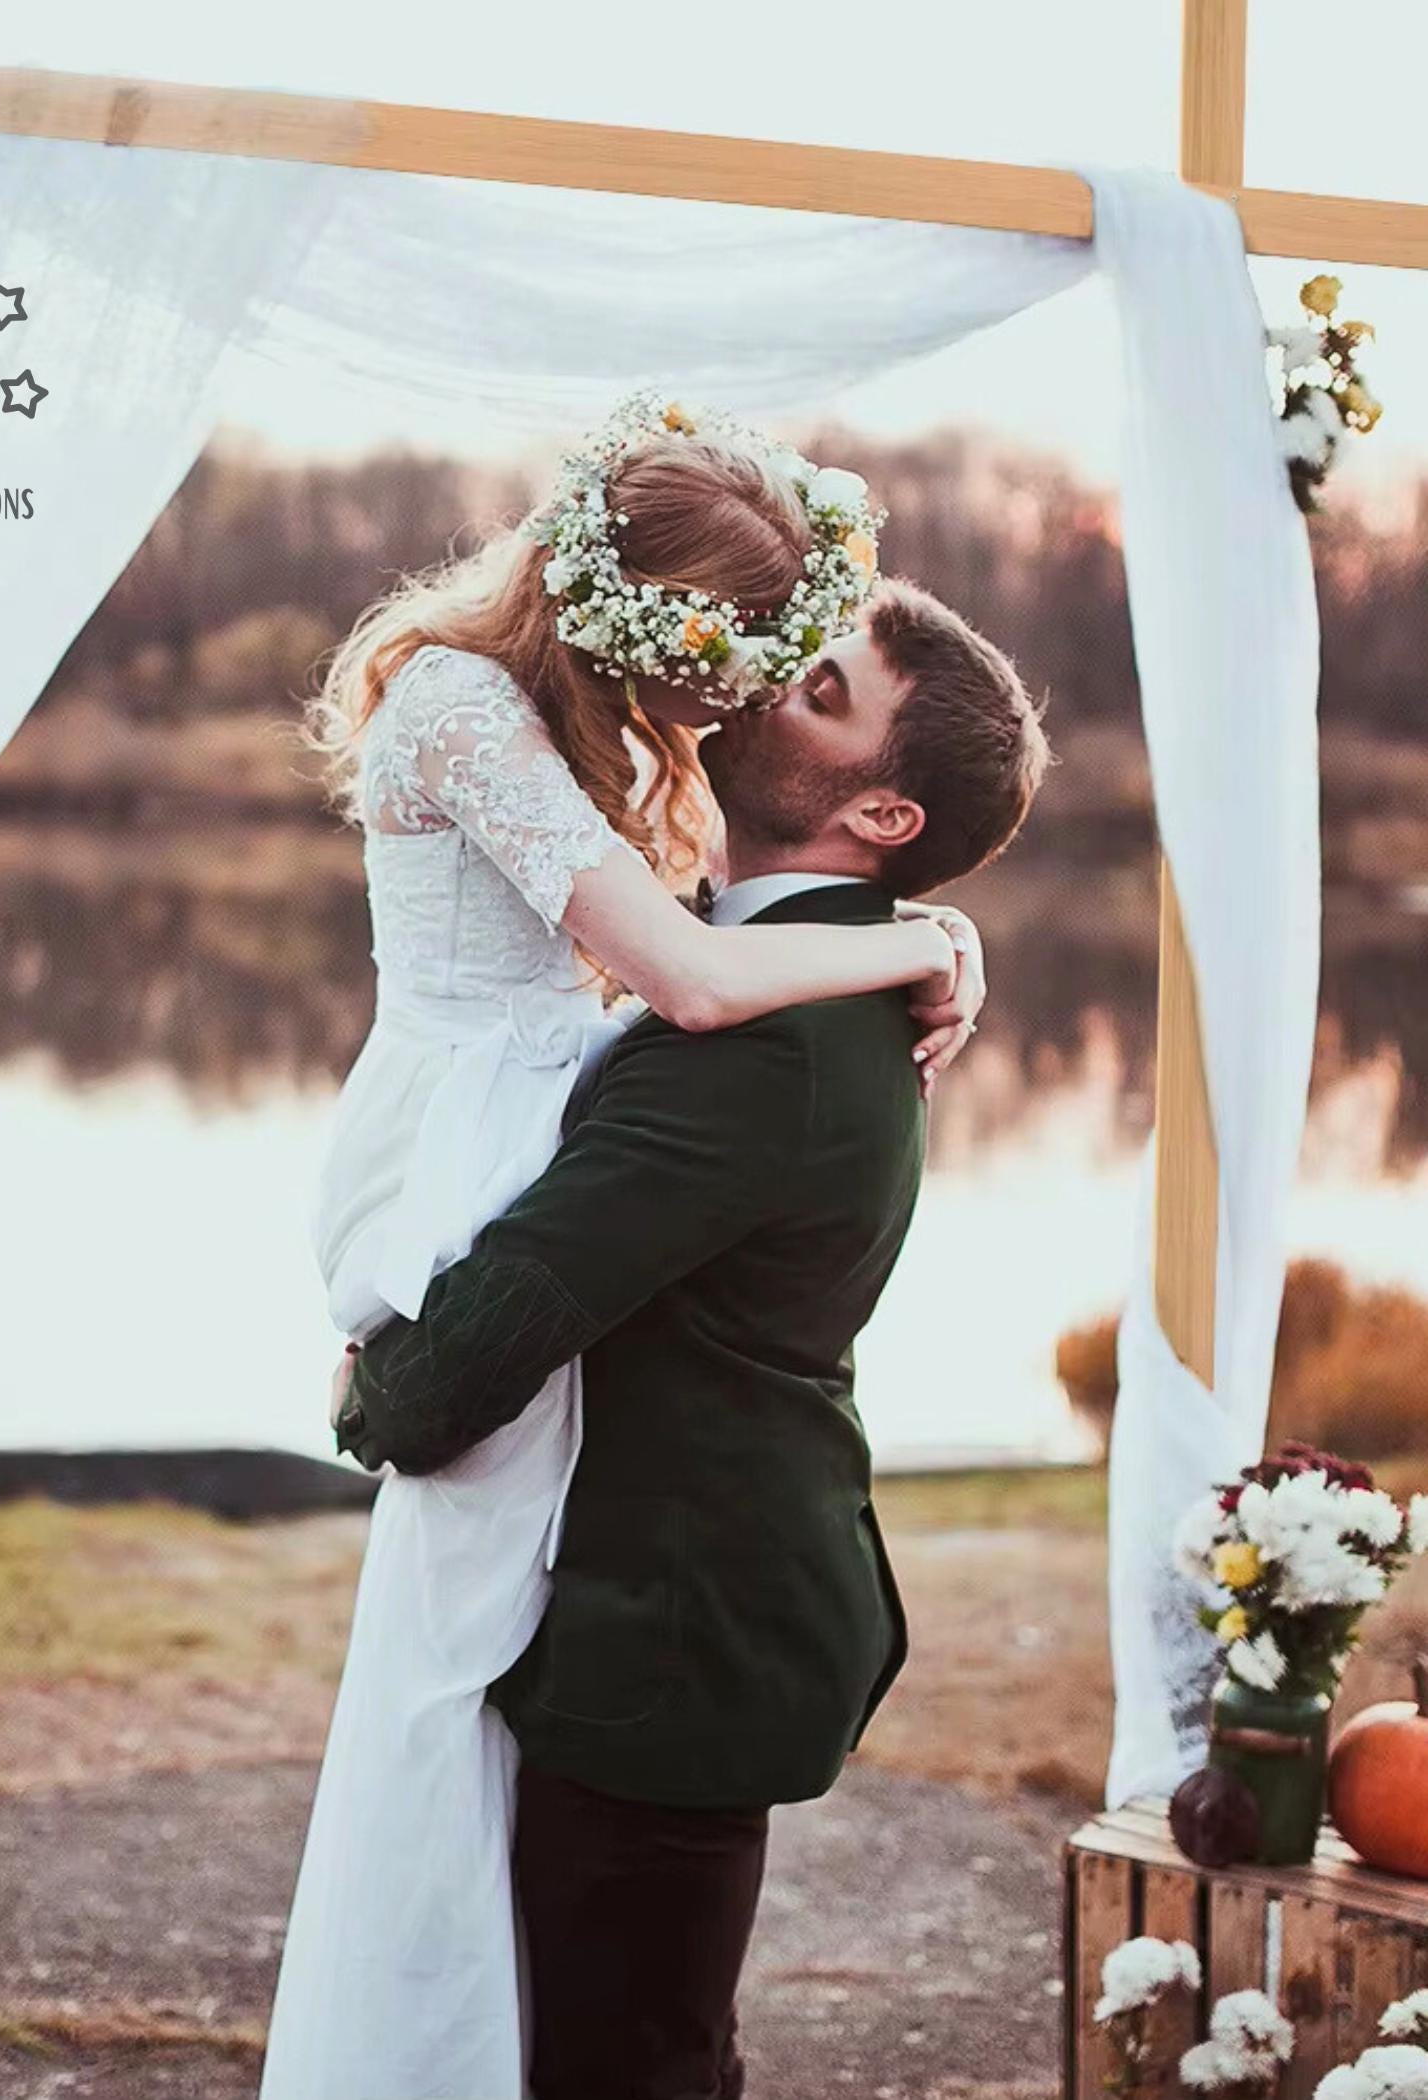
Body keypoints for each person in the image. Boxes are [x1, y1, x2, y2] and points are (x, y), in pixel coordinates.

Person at [259, 393, 984, 2100]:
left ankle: (450, 2030)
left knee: (478, 1695)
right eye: (741, 651)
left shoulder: (618, 745)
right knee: (453, 1670)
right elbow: (706, 969)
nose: (737, 691)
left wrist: (918, 922)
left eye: (791, 673)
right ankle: (425, 2030)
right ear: (634, 606)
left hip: (546, 1140)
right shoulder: (461, 704)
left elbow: (731, 946)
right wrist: (919, 936)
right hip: (464, 1147)